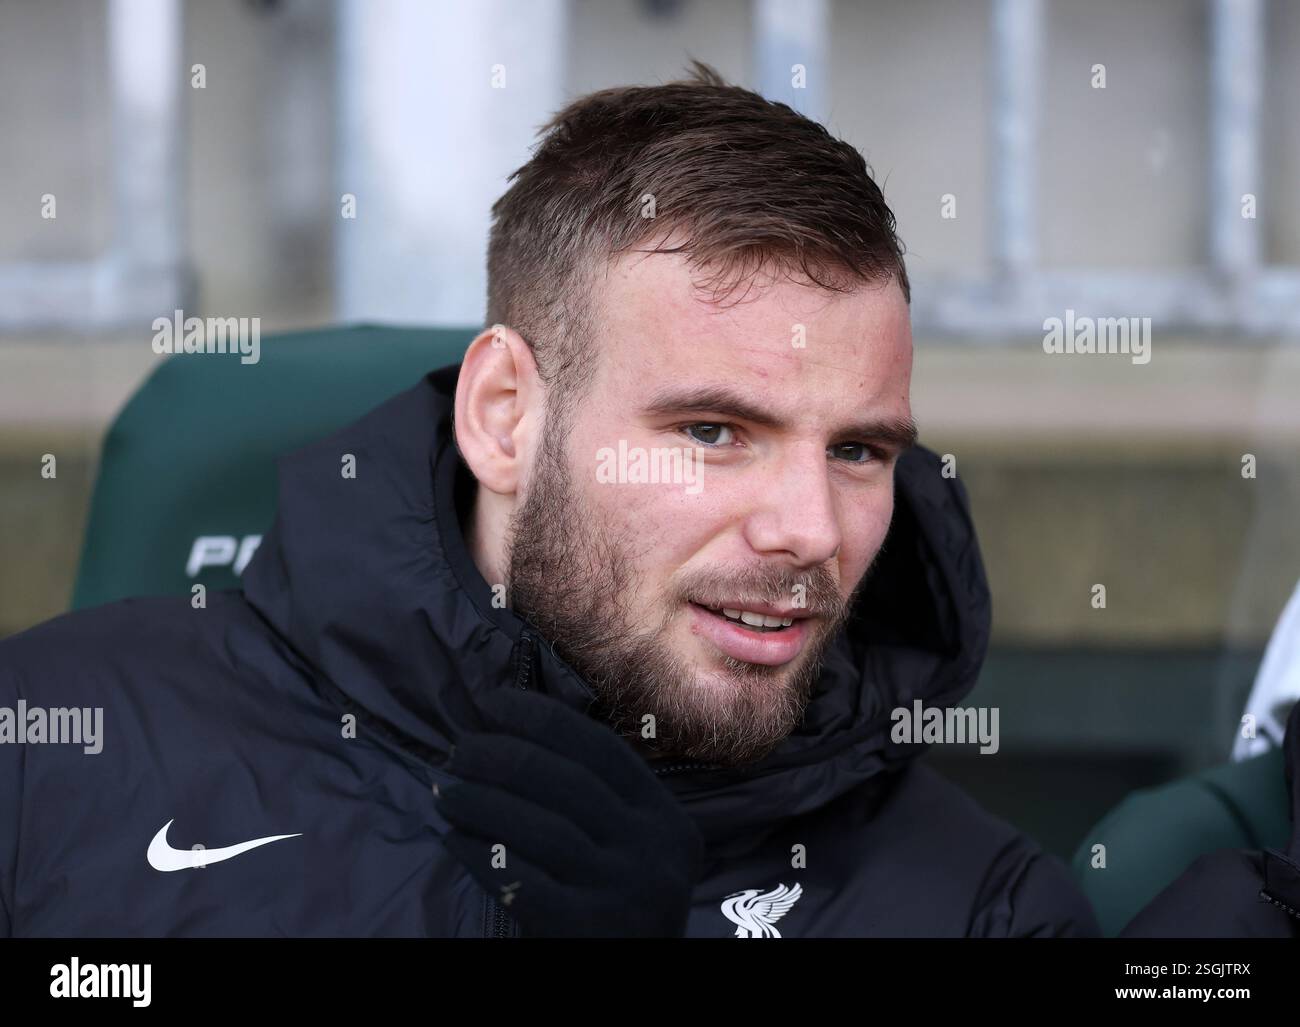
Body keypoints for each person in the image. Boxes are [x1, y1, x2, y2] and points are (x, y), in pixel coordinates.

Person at [0, 61, 1097, 937]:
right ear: (503, 418)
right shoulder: (49, 749)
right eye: (712, 432)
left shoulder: (984, 910)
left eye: (857, 449)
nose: (809, 530)